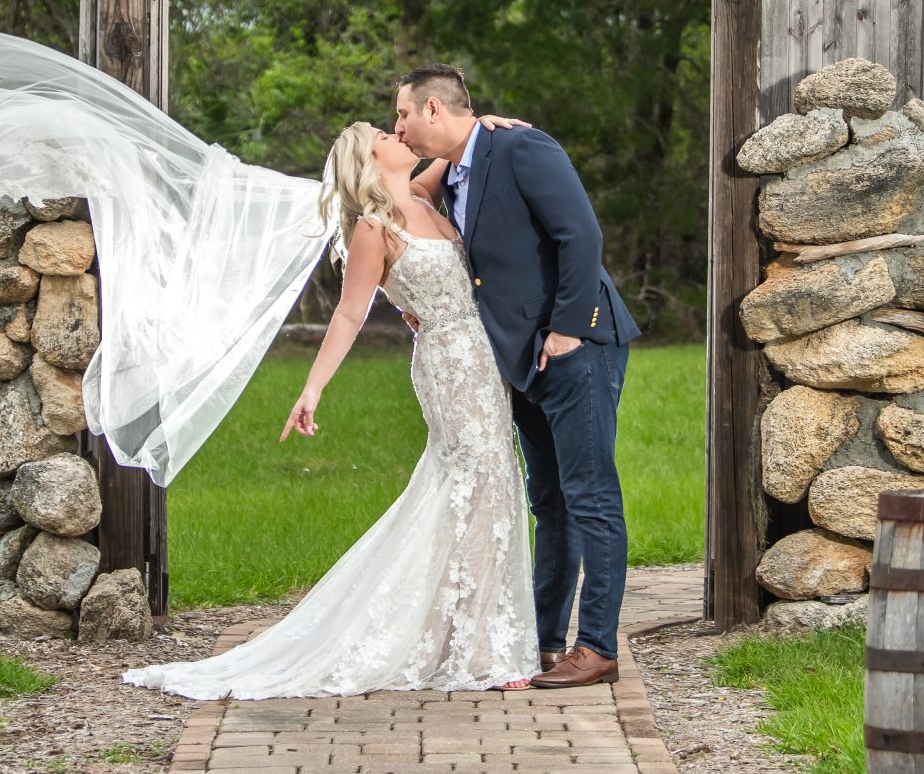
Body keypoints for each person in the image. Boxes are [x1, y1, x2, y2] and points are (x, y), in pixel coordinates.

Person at [122, 120, 537, 699]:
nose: (398, 134)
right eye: (383, 134)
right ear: (369, 160)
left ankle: (462, 633)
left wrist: (484, 121)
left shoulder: (422, 196)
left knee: (486, 485)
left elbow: (458, 138)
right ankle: (483, 649)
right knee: (477, 484)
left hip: (484, 361)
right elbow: (348, 314)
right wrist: (312, 388)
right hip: (448, 365)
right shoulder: (375, 228)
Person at [392, 64, 640, 690]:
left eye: (403, 113)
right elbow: (408, 194)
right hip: (519, 362)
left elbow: (580, 233)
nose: (398, 127)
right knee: (549, 500)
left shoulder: (523, 148)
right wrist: (470, 134)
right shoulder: (458, 170)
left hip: (575, 347)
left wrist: (568, 328)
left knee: (590, 495)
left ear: (432, 109)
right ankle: (545, 641)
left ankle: (598, 647)